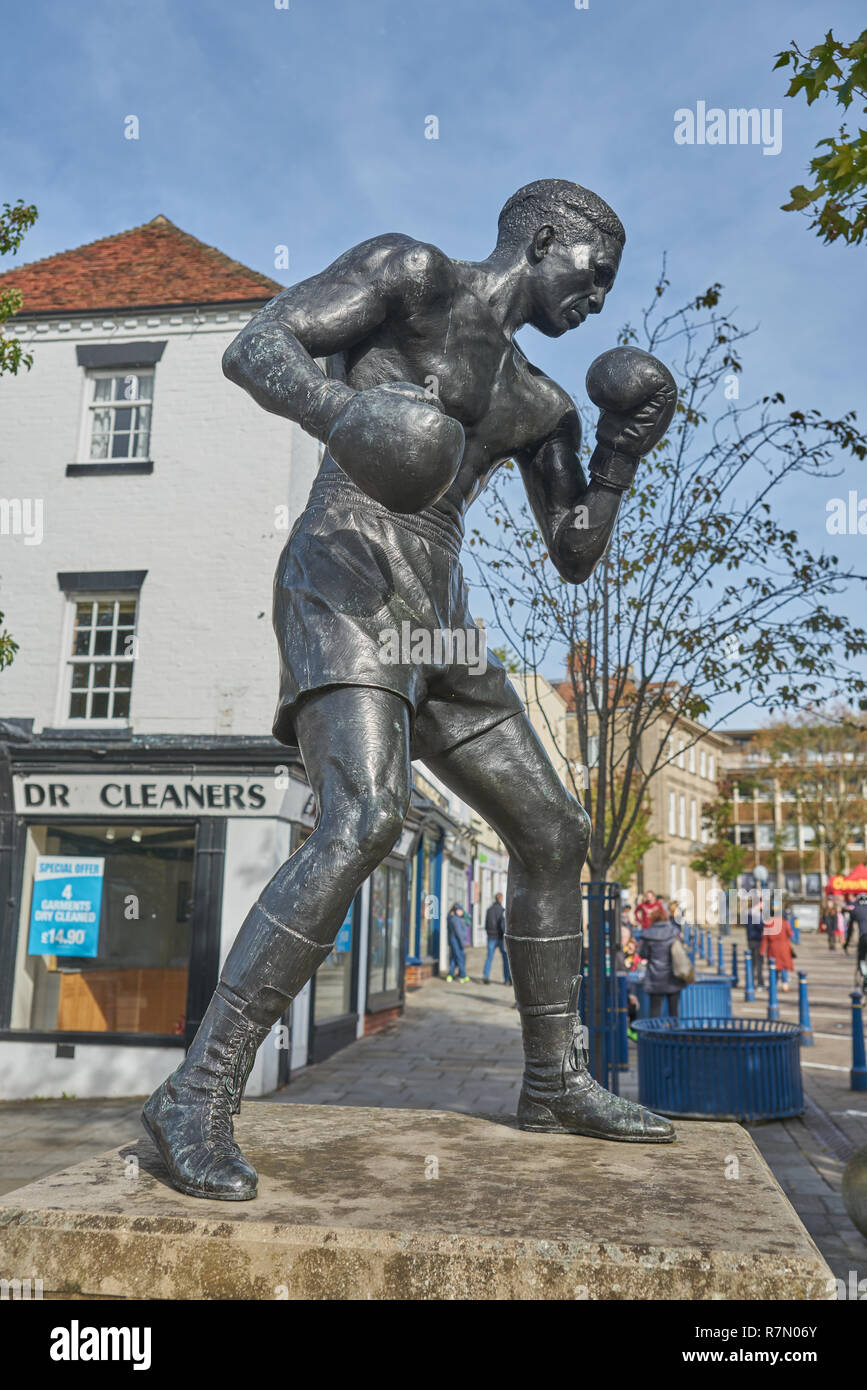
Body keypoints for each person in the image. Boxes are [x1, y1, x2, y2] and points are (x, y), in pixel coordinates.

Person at [142, 178, 677, 1201]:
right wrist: (353, 418)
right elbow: (257, 345)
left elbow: (573, 553)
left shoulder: (543, 403)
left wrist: (618, 457)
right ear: (546, 236)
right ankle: (192, 1094)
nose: (598, 299)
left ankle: (556, 1080)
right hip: (347, 559)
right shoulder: (413, 275)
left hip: (439, 605)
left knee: (556, 832)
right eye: (593, 271)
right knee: (365, 818)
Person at [638, 903, 686, 1017]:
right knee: (674, 1012)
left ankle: (655, 1034)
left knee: (655, 1011)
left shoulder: (648, 935)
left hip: (655, 977)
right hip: (672, 976)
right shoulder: (674, 932)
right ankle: (673, 1033)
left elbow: (643, 954)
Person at [760, 913, 795, 991]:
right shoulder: (785, 923)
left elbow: (765, 939)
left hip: (773, 949)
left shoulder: (768, 924)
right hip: (784, 948)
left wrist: (762, 950)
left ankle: (773, 985)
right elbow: (791, 934)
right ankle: (785, 985)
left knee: (773, 967)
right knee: (783, 967)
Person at [482, 892, 511, 984]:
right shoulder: (502, 911)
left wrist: (488, 932)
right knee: (505, 958)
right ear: (501, 899)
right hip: (500, 937)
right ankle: (507, 979)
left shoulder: (489, 910)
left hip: (491, 936)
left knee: (489, 957)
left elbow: (486, 924)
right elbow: (503, 926)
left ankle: (485, 976)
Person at [446, 903, 470, 983]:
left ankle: (450, 975)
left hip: (454, 940)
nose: (462, 912)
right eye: (460, 910)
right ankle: (462, 976)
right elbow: (458, 932)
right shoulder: (456, 919)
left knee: (454, 957)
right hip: (456, 941)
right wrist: (461, 942)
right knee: (460, 958)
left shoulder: (456, 918)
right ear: (457, 911)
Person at [745, 896, 765, 989]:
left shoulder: (748, 912)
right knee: (759, 963)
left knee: (752, 963)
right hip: (757, 939)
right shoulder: (757, 914)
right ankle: (760, 983)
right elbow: (760, 927)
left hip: (750, 939)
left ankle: (751, 982)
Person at [844, 894, 867, 974]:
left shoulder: (855, 910)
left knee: (861, 958)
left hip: (864, 937)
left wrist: (846, 944)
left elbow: (850, 930)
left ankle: (864, 975)